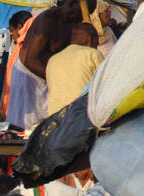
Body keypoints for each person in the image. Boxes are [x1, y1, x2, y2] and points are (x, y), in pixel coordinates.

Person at [6, 0, 86, 128]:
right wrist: (59, 81)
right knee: (28, 128)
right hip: (31, 76)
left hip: (48, 77)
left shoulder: (73, 22)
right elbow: (30, 59)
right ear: (71, 5)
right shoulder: (49, 19)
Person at [45, 23, 103, 116]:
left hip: (54, 118)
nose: (97, 46)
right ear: (89, 39)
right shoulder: (93, 54)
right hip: (82, 116)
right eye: (96, 42)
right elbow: (105, 84)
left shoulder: (53, 60)